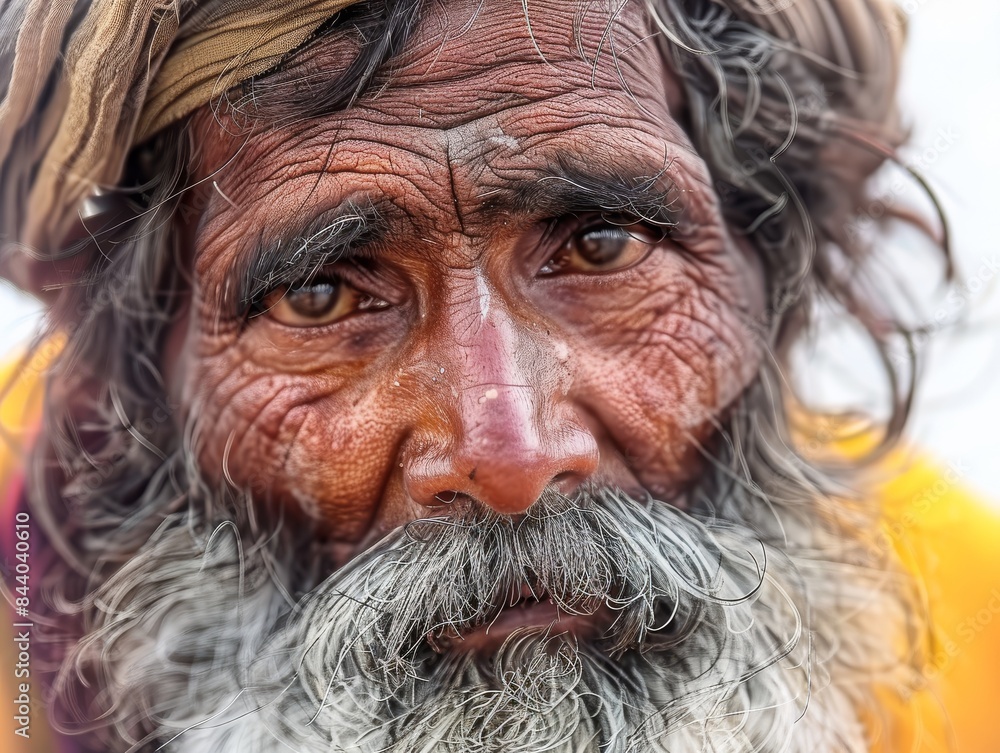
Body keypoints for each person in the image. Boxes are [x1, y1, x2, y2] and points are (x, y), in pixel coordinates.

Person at [1, 1, 999, 751]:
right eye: (321, 297)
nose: (509, 454)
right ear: (133, 371)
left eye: (603, 245)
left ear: (768, 270)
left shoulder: (967, 632)